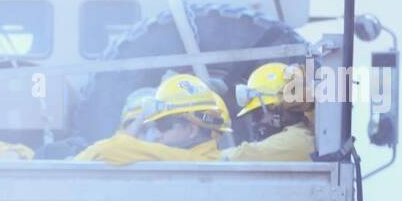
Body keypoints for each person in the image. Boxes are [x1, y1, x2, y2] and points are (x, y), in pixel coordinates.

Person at [75, 73, 230, 164]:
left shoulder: (176, 157)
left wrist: (139, 121)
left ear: (191, 129)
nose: (156, 135)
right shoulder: (227, 158)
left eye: (163, 125)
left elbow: (107, 149)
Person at [222, 62, 314, 162]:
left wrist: (207, 158)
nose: (255, 122)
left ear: (277, 107)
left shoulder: (297, 140)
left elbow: (247, 154)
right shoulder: (302, 135)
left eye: (258, 113)